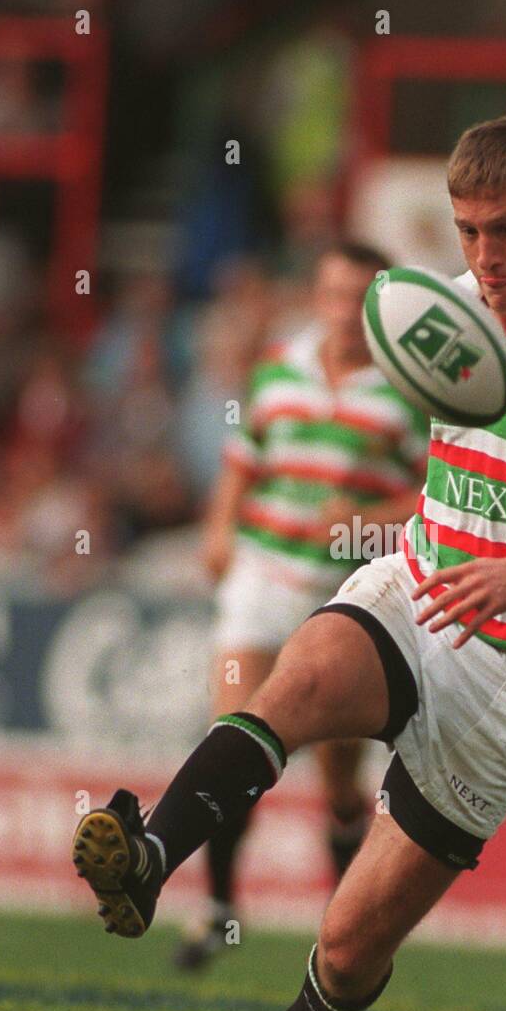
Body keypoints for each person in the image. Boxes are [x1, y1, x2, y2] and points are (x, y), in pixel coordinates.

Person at [71, 114, 506, 1011]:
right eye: (465, 230)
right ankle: (152, 855)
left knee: (350, 936)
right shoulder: (449, 310)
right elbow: (348, 342)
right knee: (303, 674)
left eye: (505, 230)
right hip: (415, 588)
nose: (483, 255)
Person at [175, 242, 429, 970]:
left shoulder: (406, 390)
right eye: (331, 294)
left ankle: (342, 937)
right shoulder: (281, 364)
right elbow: (243, 459)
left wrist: (369, 511)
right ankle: (220, 909)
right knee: (233, 733)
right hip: (264, 572)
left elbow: (430, 497)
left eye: (358, 298)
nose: (342, 311)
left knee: (341, 785)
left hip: (343, 593)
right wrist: (221, 527)